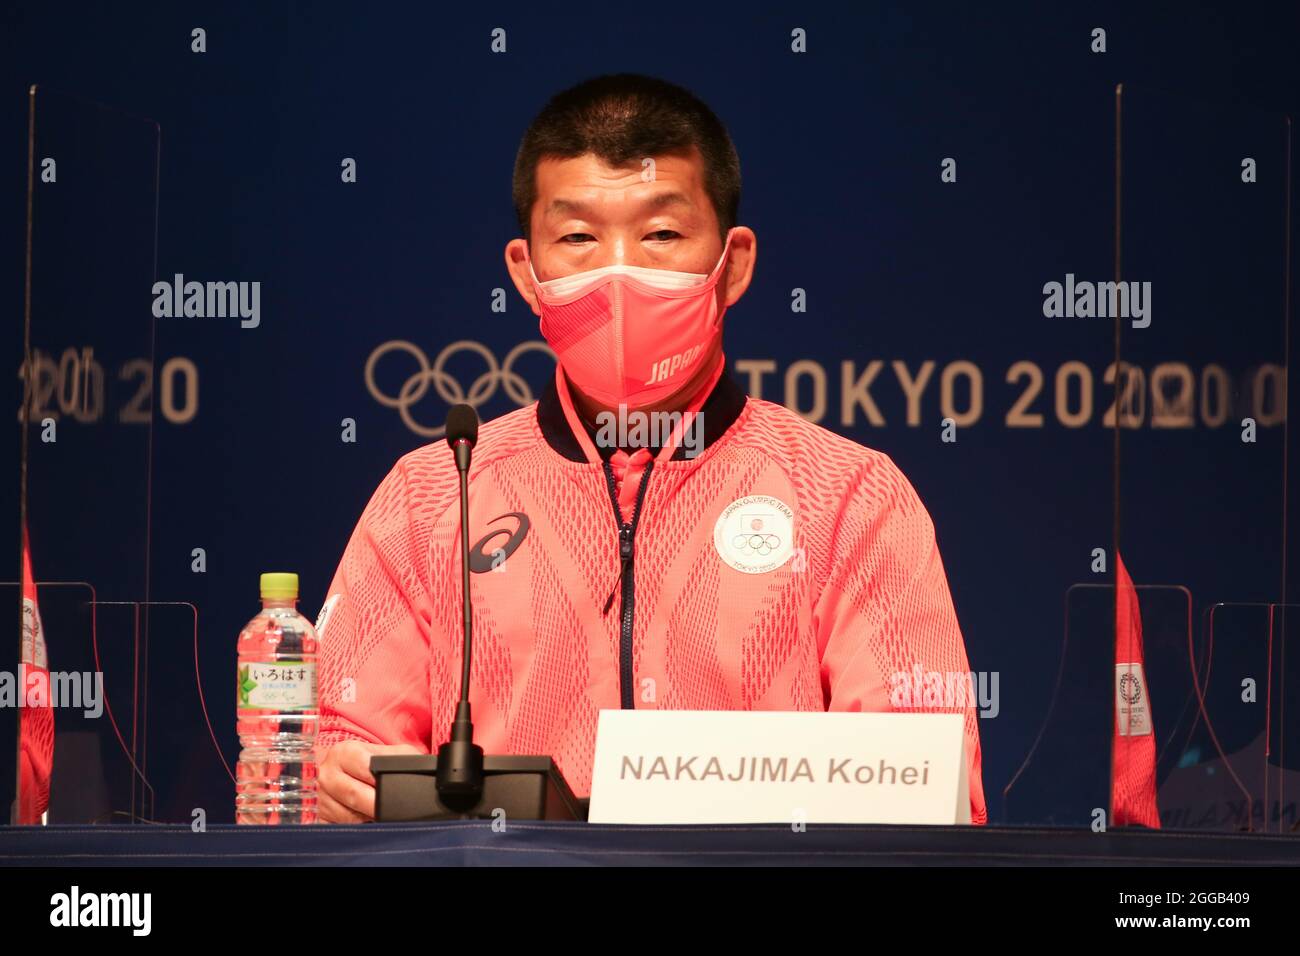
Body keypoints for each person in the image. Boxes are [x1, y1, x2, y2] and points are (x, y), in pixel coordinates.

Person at [314, 73, 987, 824]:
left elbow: (925, 782)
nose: (619, 272)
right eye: (577, 238)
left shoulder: (852, 496)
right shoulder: (434, 493)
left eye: (662, 235)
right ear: (526, 275)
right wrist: (340, 784)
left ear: (732, 264)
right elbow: (339, 755)